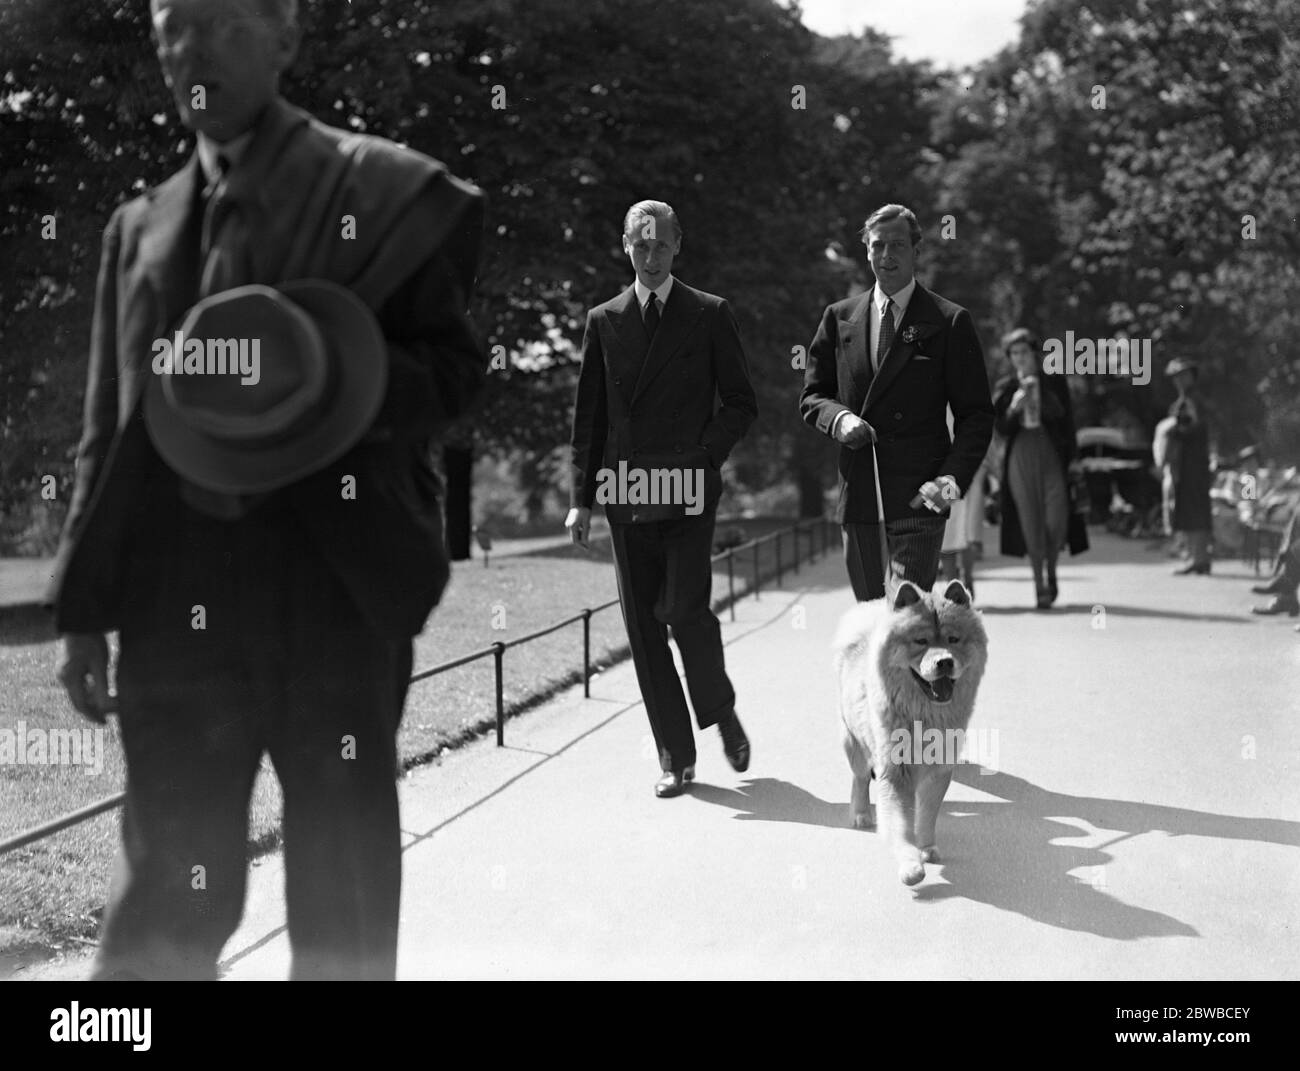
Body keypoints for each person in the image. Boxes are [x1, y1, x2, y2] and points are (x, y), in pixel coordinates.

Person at [47, 0, 485, 980]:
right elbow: (103, 433)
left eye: (220, 19)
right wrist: (83, 616)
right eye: (170, 21)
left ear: (286, 36)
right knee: (166, 883)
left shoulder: (380, 189)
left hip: (335, 595)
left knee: (341, 885)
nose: (190, 43)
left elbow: (454, 373)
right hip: (173, 611)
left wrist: (327, 372)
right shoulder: (136, 227)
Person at [566, 200, 758, 799]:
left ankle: (719, 708)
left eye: (661, 246)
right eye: (640, 246)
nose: (651, 258)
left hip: (687, 490)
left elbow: (740, 403)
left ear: (678, 246)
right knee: (644, 630)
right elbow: (588, 418)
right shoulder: (603, 320)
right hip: (625, 494)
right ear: (626, 247)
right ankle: (675, 756)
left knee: (682, 610)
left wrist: (703, 458)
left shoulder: (709, 314)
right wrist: (581, 498)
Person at [799, 203, 994, 600]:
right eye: (877, 246)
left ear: (916, 251)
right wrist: (839, 421)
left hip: (920, 496)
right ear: (866, 251)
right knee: (872, 621)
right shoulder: (838, 318)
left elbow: (976, 415)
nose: (886, 256)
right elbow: (813, 395)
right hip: (861, 494)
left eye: (897, 245)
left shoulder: (949, 321)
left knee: (906, 621)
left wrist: (949, 482)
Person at [992, 328, 1089, 609]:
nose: (1020, 358)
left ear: (1035, 353)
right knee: (1030, 520)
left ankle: (1052, 569)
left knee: (1056, 518)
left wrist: (1074, 458)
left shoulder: (1054, 382)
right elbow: (999, 428)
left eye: (1025, 352)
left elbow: (1066, 421)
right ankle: (1039, 583)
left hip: (1051, 454)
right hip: (1020, 456)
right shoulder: (1006, 386)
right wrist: (1013, 408)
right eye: (1015, 353)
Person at [1163, 357, 1214, 574]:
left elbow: (1197, 427)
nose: (1180, 380)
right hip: (1184, 465)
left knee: (1196, 511)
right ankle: (1194, 557)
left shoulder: (1194, 401)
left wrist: (1175, 432)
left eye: (1184, 375)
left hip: (1195, 465)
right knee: (1186, 511)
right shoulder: (1182, 401)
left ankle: (1200, 558)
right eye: (1176, 377)